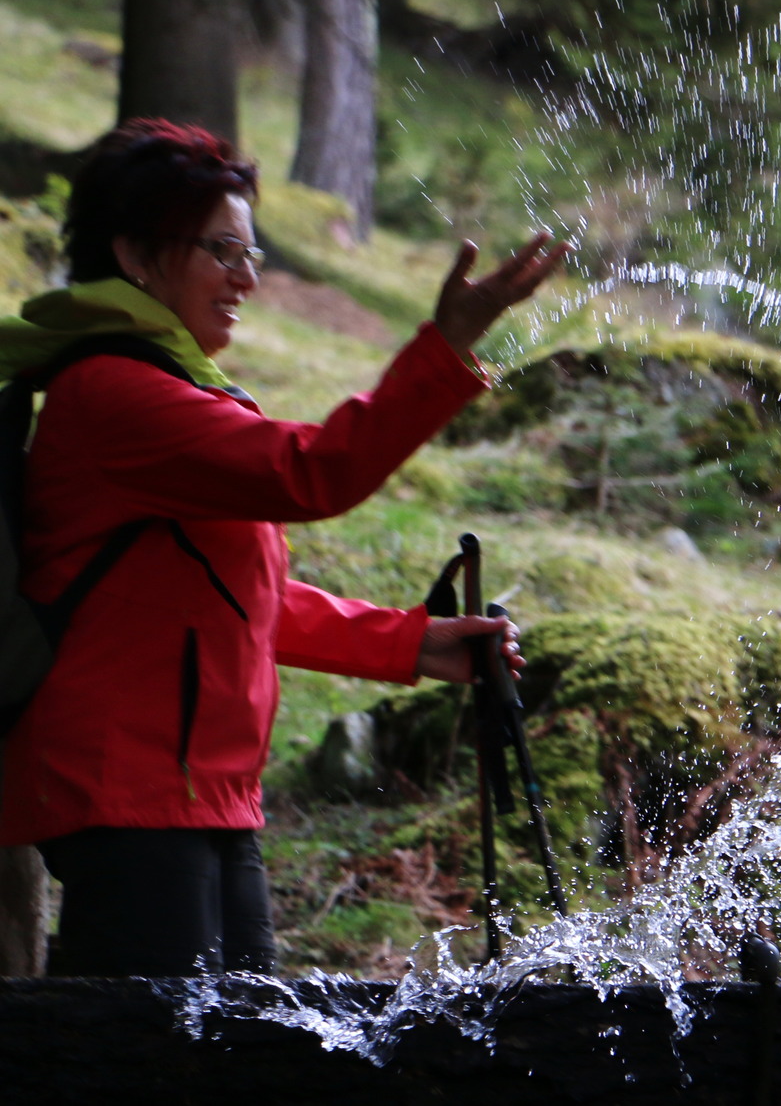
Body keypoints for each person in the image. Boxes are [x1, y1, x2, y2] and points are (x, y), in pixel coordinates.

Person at [0, 118, 568, 977]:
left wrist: (408, 641)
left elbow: (237, 592)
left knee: (245, 1051)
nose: (248, 278)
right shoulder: (116, 393)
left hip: (204, 793)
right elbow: (317, 474)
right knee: (152, 1065)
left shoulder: (173, 386)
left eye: (252, 253)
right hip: (129, 790)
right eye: (223, 251)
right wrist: (445, 348)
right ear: (137, 256)